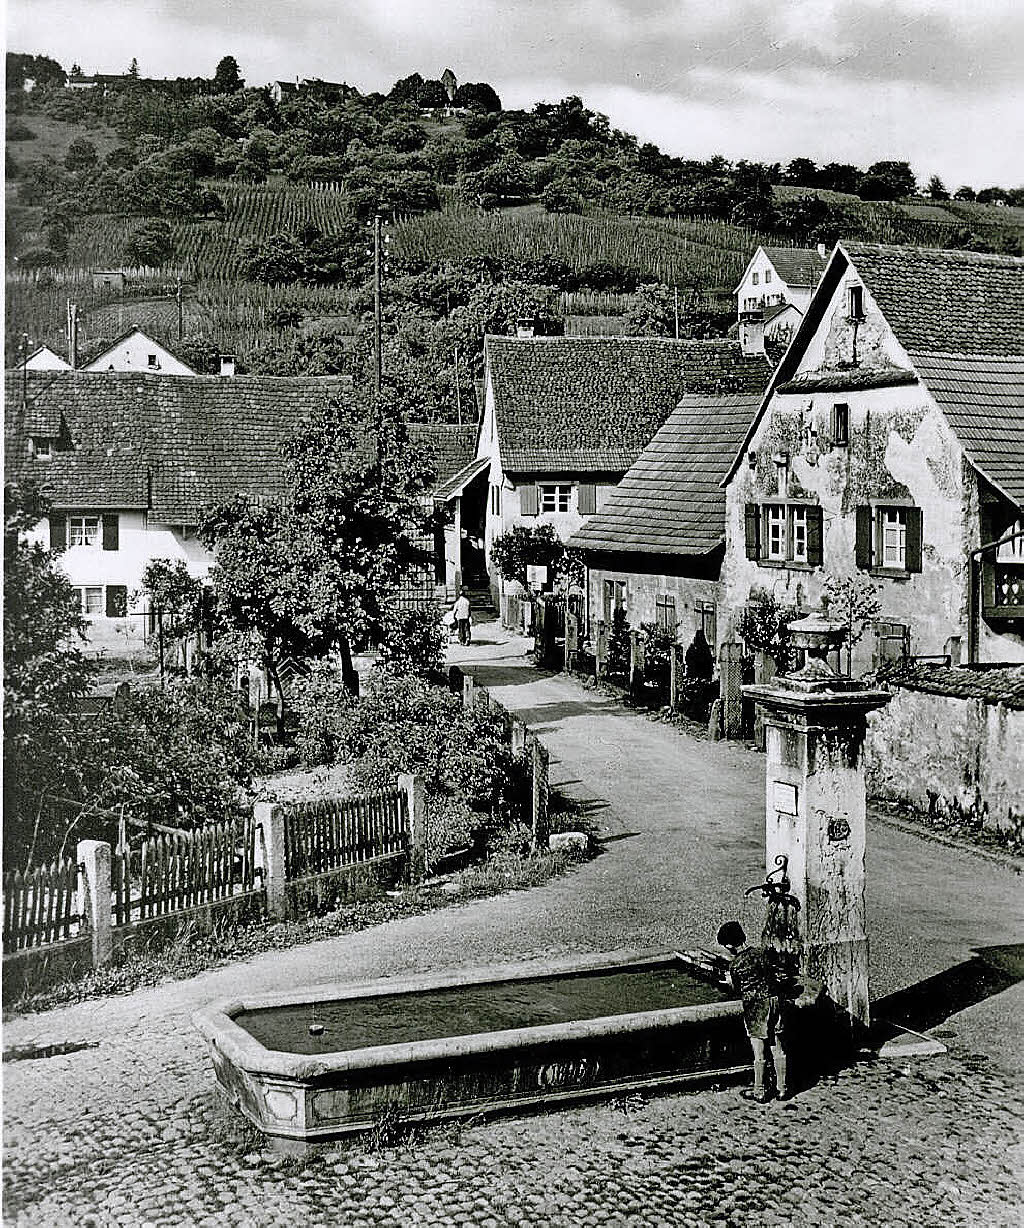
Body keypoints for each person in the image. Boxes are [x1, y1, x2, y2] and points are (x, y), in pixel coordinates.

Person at [717, 920, 792, 1103]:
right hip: (774, 1001)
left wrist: (728, 982)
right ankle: (782, 1088)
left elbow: (736, 988)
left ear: (728, 945)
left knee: (759, 1052)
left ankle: (759, 1090)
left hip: (756, 1007)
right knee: (777, 1046)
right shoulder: (762, 954)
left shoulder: (735, 964)